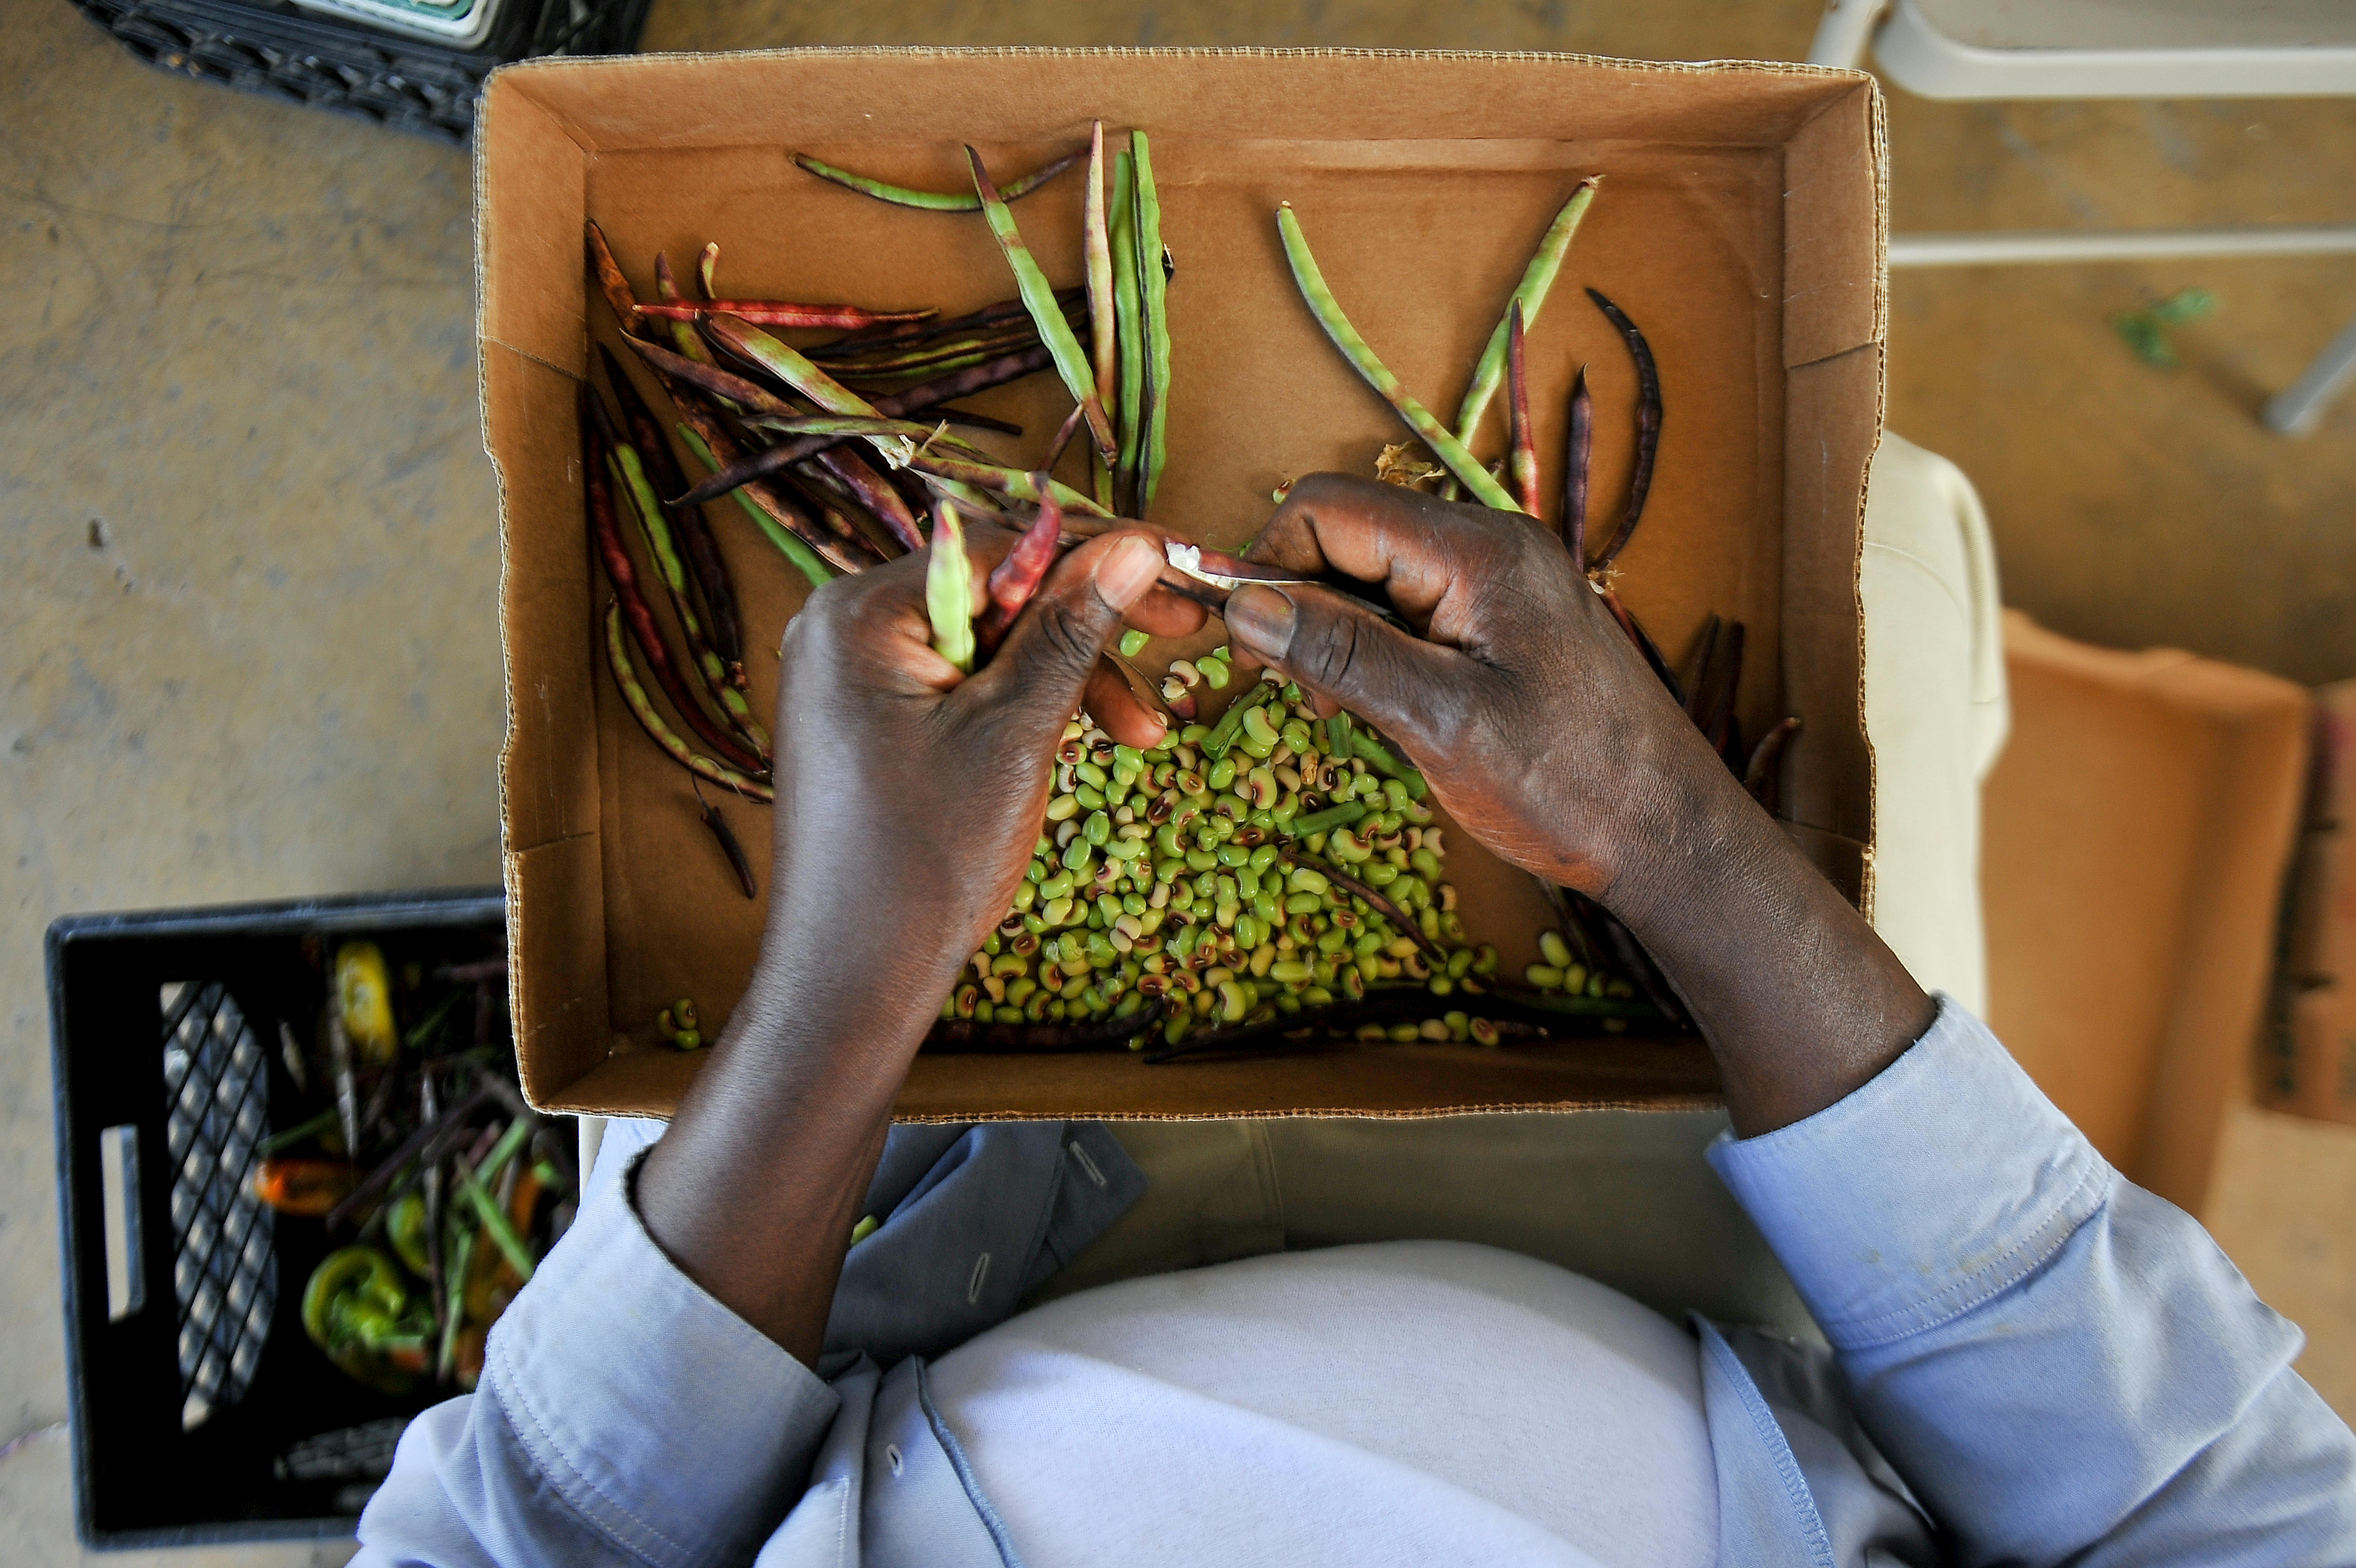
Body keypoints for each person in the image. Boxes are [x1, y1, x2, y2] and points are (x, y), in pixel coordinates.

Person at [357, 473, 2356, 1567]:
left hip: (874, 1294)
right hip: (1759, 1298)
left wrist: (841, 998)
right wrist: (1670, 834)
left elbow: (533, 1533)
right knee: (1884, 513)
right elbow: (2195, 1496)